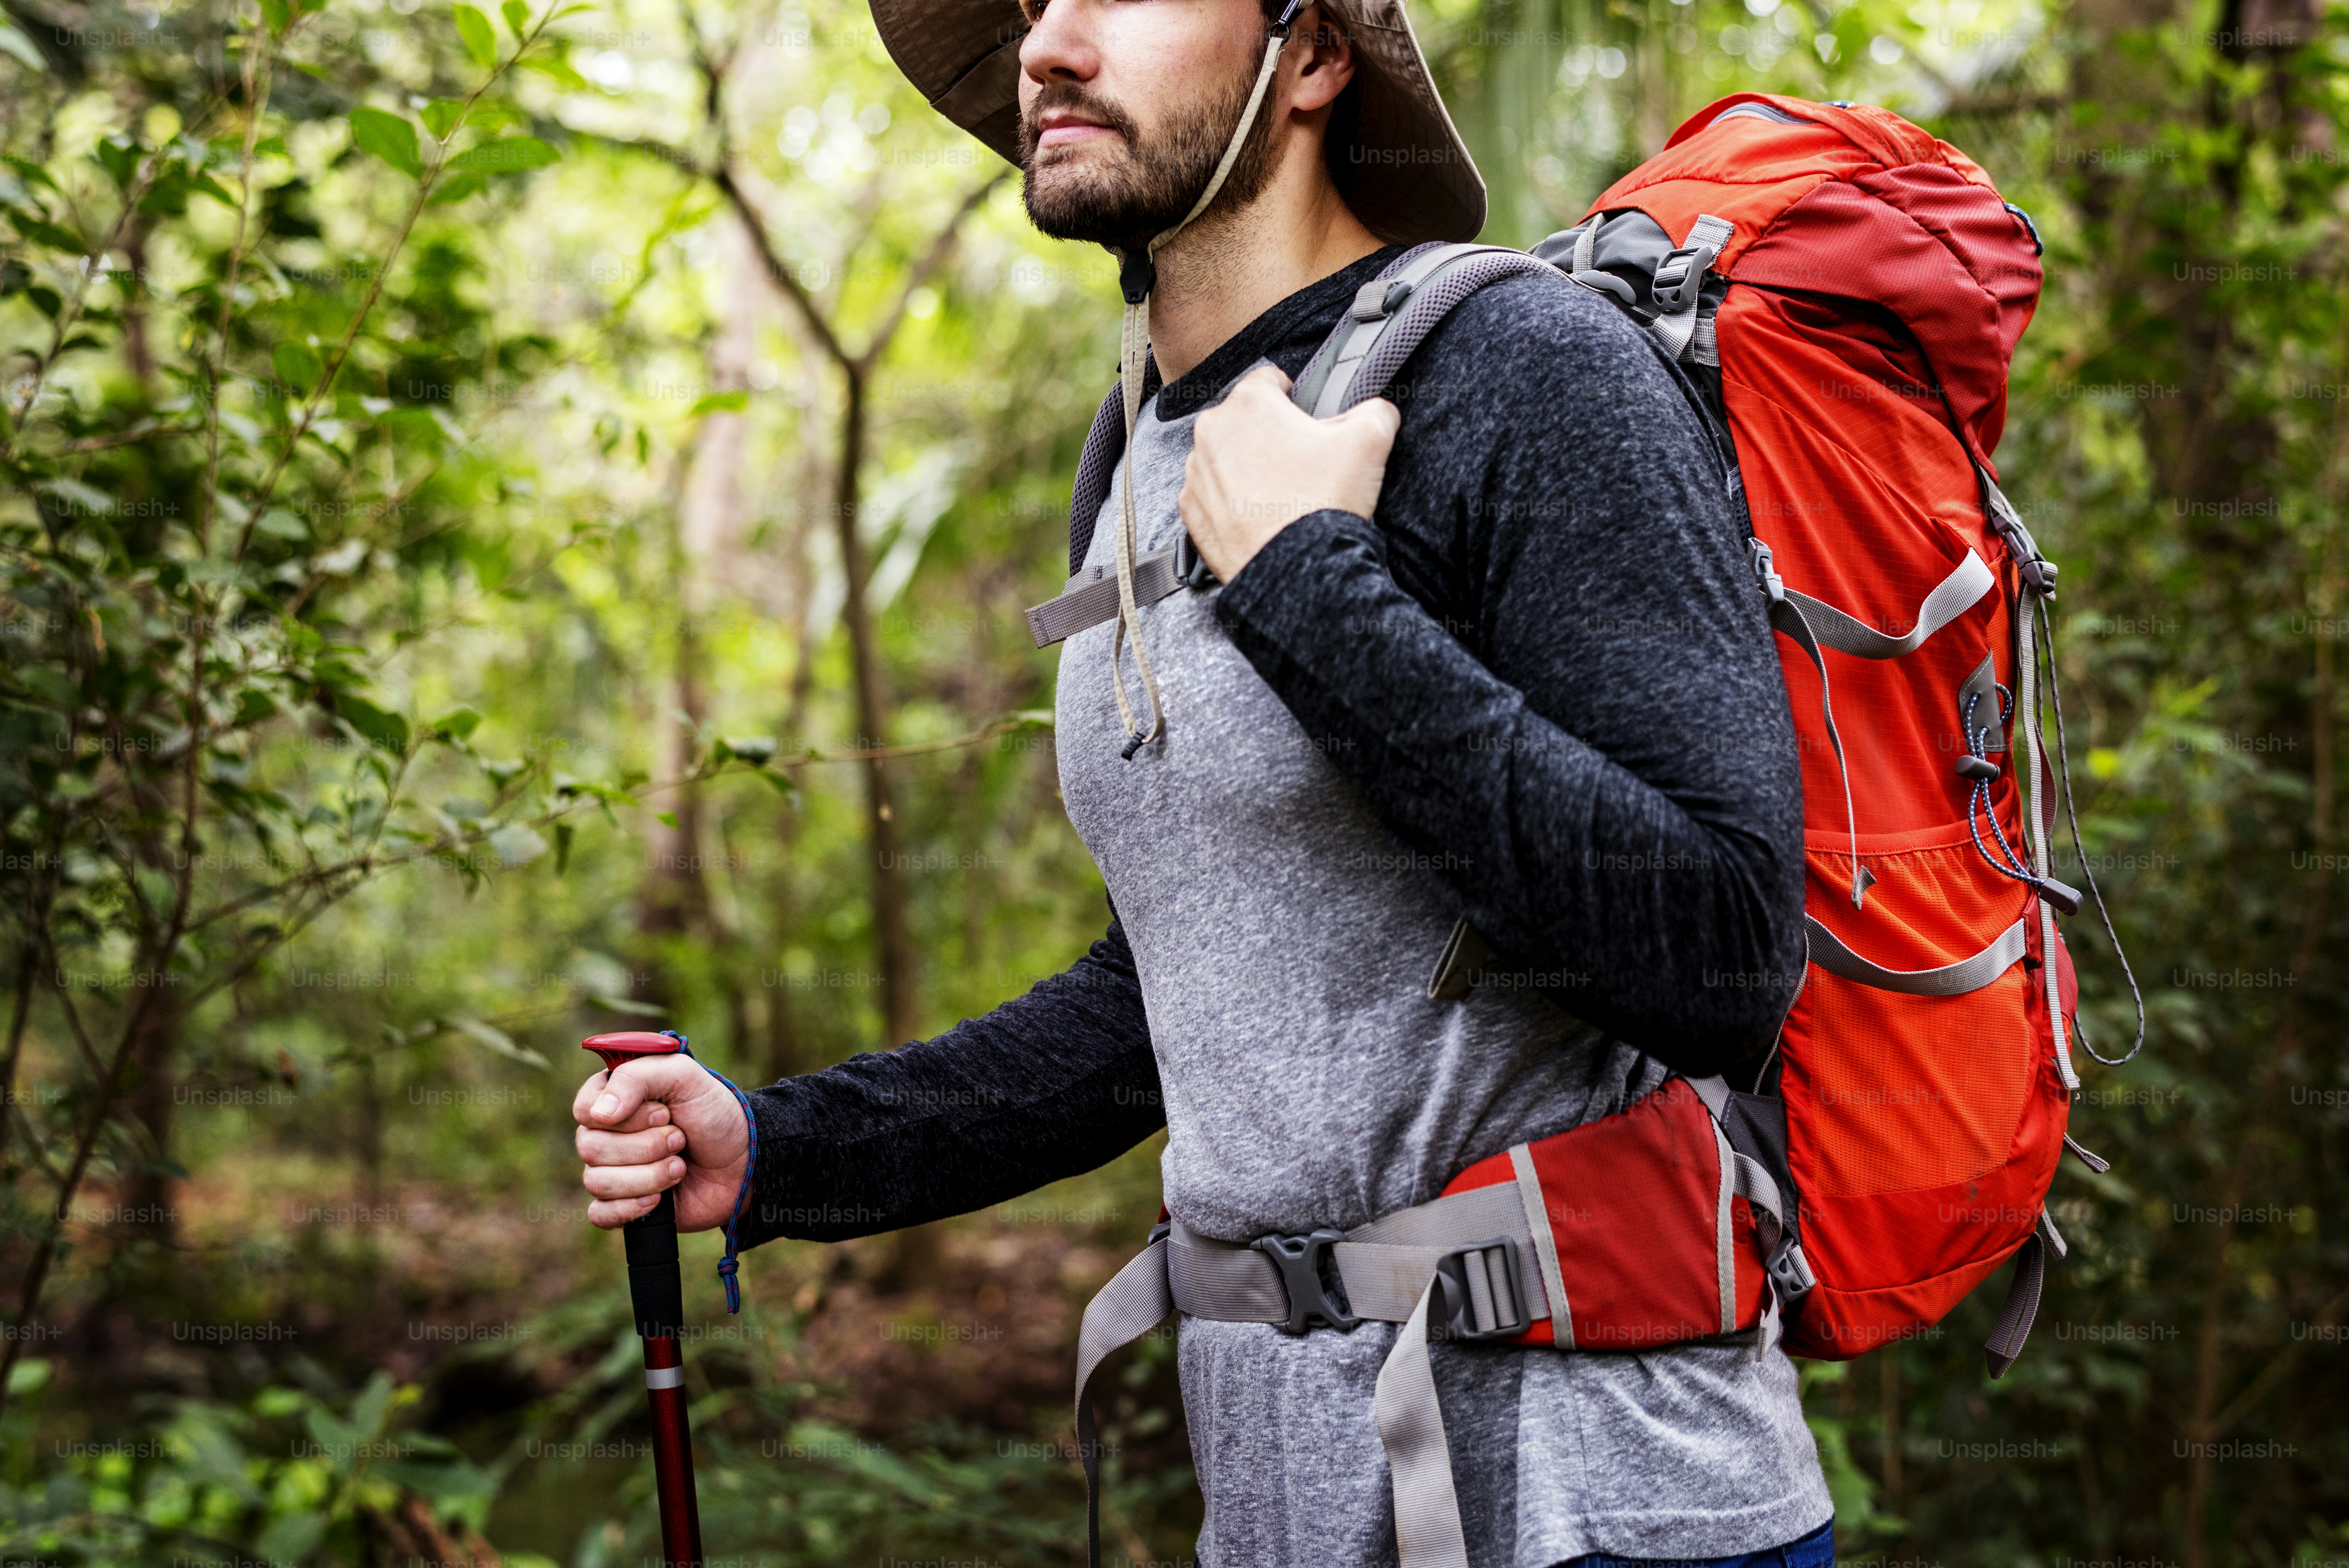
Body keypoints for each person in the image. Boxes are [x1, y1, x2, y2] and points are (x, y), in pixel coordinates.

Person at [572, 0, 1837, 1557]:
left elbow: (1722, 955)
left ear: (1312, 56)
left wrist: (1305, 576)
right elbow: (1167, 1006)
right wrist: (782, 1149)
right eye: (1034, 3)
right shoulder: (1129, 460)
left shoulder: (1521, 367)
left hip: (1609, 1500)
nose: (1049, 43)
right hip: (1280, 1498)